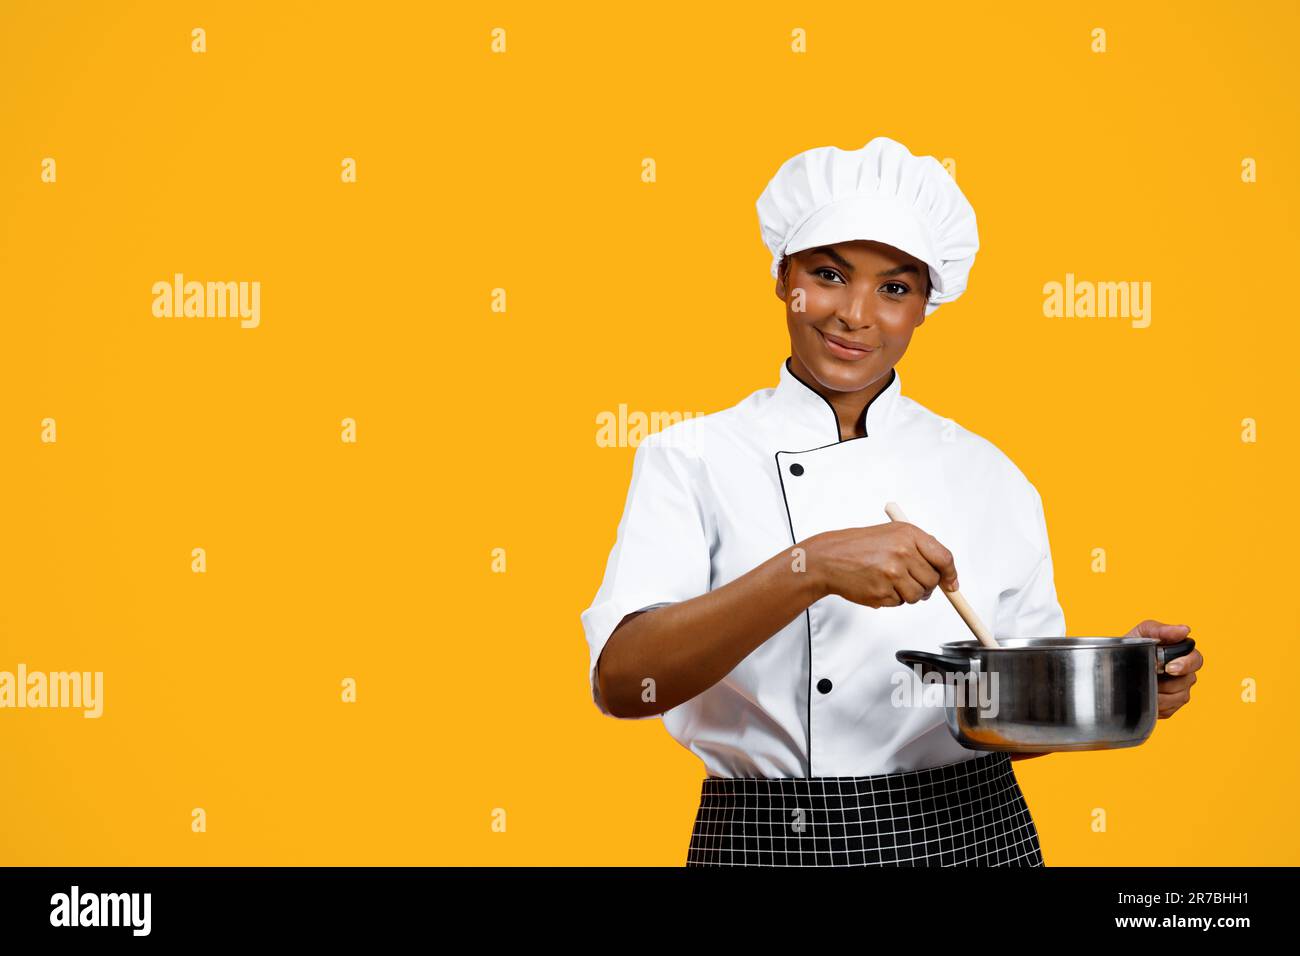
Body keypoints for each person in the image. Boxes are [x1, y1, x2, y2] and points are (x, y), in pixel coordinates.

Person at [579, 136, 1204, 867]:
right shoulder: (689, 458)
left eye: (896, 289)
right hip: (767, 842)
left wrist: (1112, 686)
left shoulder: (988, 473)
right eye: (829, 274)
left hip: (972, 836)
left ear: (927, 308)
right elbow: (623, 682)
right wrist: (808, 567)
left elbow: (1014, 720)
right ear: (784, 279)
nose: (855, 314)